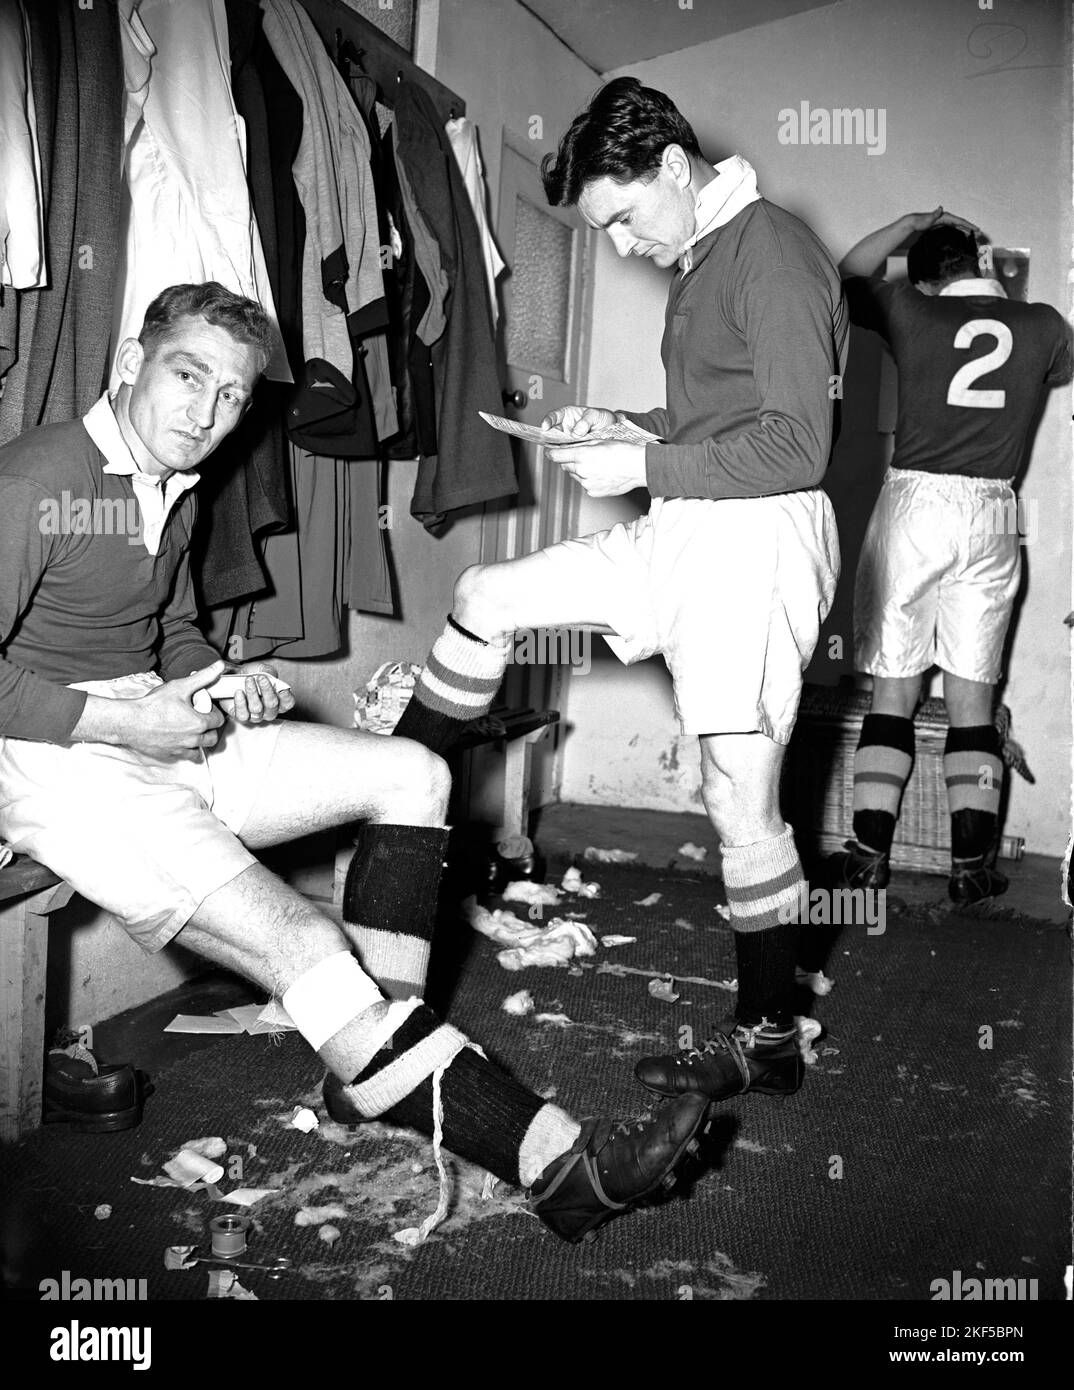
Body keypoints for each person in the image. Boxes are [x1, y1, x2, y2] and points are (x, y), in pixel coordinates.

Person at [0, 281, 710, 1245]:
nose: (206, 414)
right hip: (57, 758)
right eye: (187, 375)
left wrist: (214, 677)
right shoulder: (39, 480)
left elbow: (163, 625)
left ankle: (372, 1064)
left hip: (158, 724)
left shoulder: (174, 479)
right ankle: (559, 1166)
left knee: (414, 774)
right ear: (132, 363)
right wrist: (129, 727)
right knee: (309, 949)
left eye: (232, 396)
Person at [392, 78, 848, 1105]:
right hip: (693, 522)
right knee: (486, 593)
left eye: (625, 218)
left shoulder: (770, 250)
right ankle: (400, 817)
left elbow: (796, 445)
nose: (625, 247)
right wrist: (631, 427)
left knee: (740, 796)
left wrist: (646, 466)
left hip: (757, 542)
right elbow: (726, 422)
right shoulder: (707, 250)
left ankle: (767, 1034)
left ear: (674, 171)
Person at [831, 212, 1071, 902]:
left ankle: (868, 856)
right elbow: (1051, 367)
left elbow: (849, 271)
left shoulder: (912, 310)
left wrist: (910, 223)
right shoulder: (1047, 324)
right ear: (983, 262)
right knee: (972, 696)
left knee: (893, 694)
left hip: (916, 502)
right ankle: (971, 869)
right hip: (995, 507)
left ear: (927, 274)